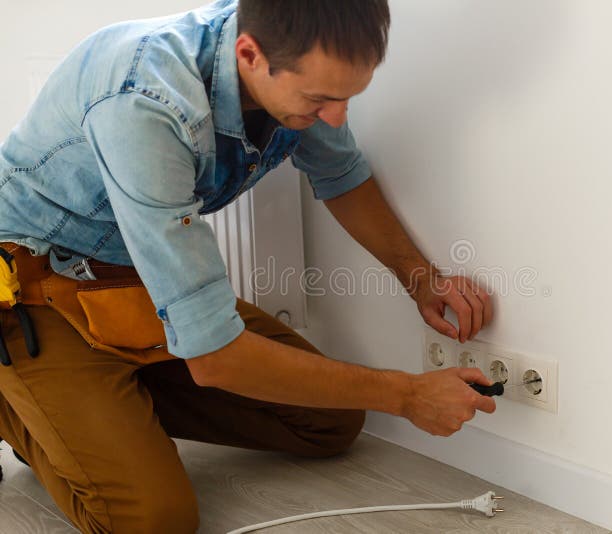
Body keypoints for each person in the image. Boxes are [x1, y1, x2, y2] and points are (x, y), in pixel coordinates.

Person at [0, 0, 496, 531]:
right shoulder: (144, 103)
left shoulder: (292, 51)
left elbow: (342, 173)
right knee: (153, 520)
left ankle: (81, 413)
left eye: (348, 98)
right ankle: (18, 406)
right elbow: (215, 357)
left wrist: (422, 280)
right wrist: (408, 393)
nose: (337, 118)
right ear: (249, 54)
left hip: (135, 283)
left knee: (331, 422)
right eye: (320, 100)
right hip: (35, 292)